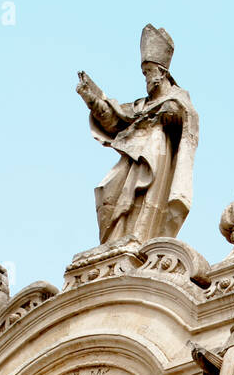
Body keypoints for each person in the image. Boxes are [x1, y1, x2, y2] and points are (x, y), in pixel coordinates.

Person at [76, 24, 199, 246]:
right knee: (108, 189)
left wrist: (170, 114)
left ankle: (141, 236)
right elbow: (115, 121)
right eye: (144, 73)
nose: (146, 78)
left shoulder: (178, 99)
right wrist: (92, 99)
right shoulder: (141, 105)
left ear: (162, 73)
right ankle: (116, 239)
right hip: (132, 159)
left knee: (145, 197)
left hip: (157, 155)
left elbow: (186, 119)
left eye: (148, 72)